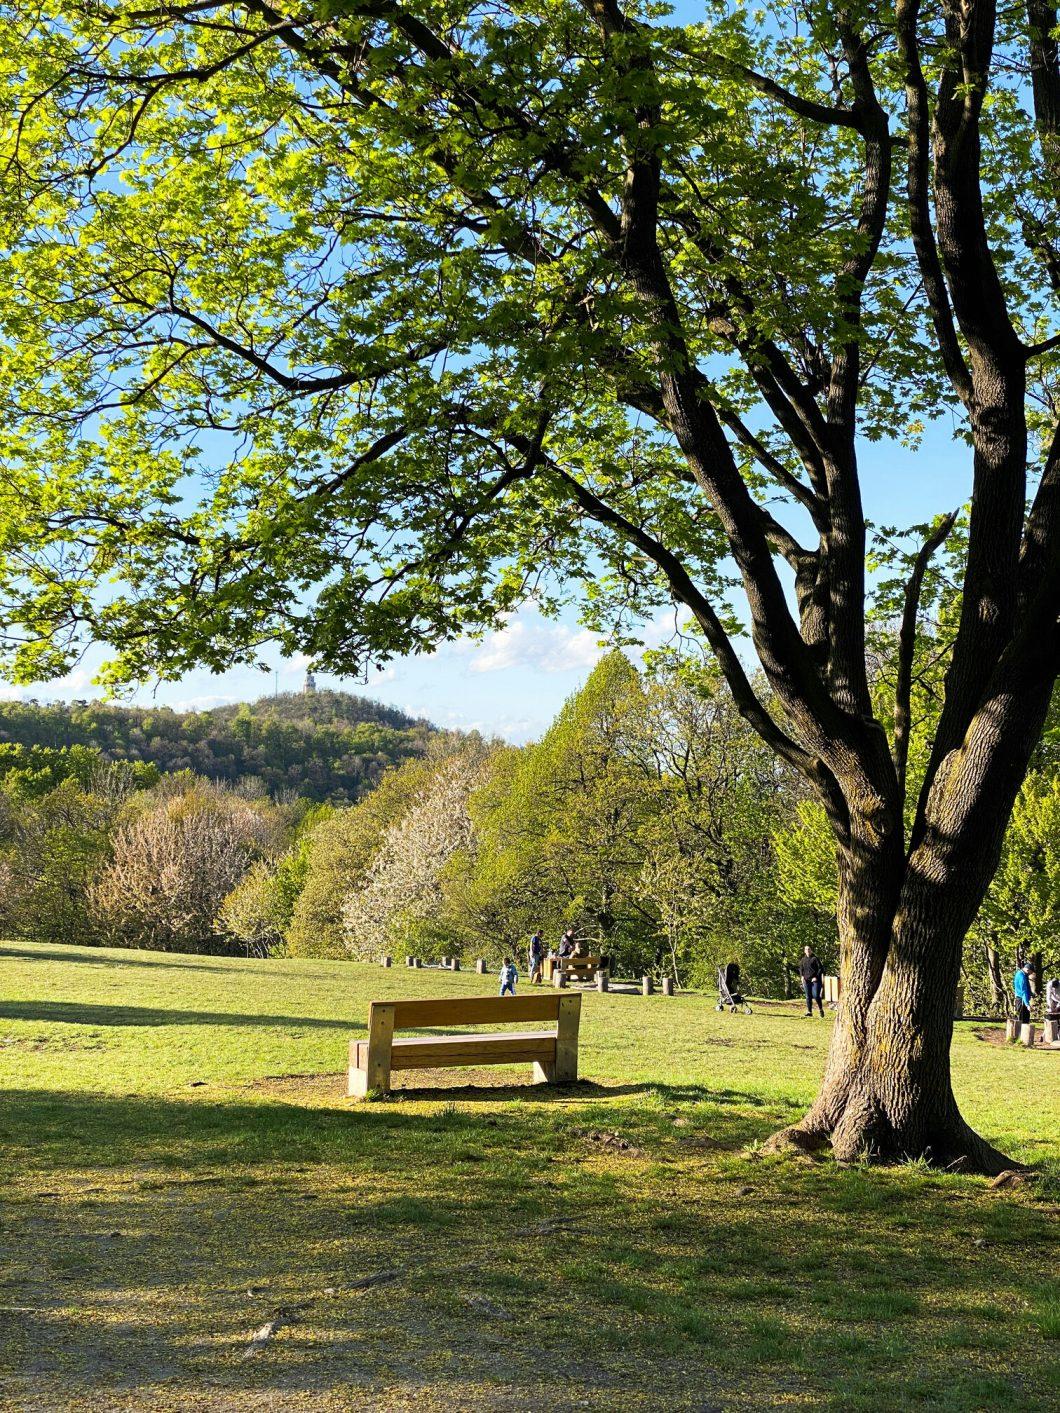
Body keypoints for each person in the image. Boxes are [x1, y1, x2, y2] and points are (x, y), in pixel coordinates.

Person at [798, 946, 825, 1017]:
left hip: (815, 980)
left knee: (816, 995)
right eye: (806, 949)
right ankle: (809, 1012)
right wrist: (802, 976)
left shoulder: (815, 959)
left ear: (811, 950)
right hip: (806, 980)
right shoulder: (803, 960)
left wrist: (816, 977)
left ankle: (821, 1009)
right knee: (808, 996)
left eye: (809, 949)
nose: (808, 951)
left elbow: (820, 969)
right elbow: (801, 969)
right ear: (804, 951)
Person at [1013, 962, 1033, 1026]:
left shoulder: (1022, 974)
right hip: (1021, 1000)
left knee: (1026, 1018)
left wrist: (1031, 994)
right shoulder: (1022, 976)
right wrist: (1027, 1004)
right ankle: (1019, 1034)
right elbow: (1023, 991)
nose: (1030, 974)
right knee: (1022, 1019)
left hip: (1023, 998)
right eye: (1031, 972)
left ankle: (1024, 1034)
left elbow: (1027, 988)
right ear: (1027, 970)